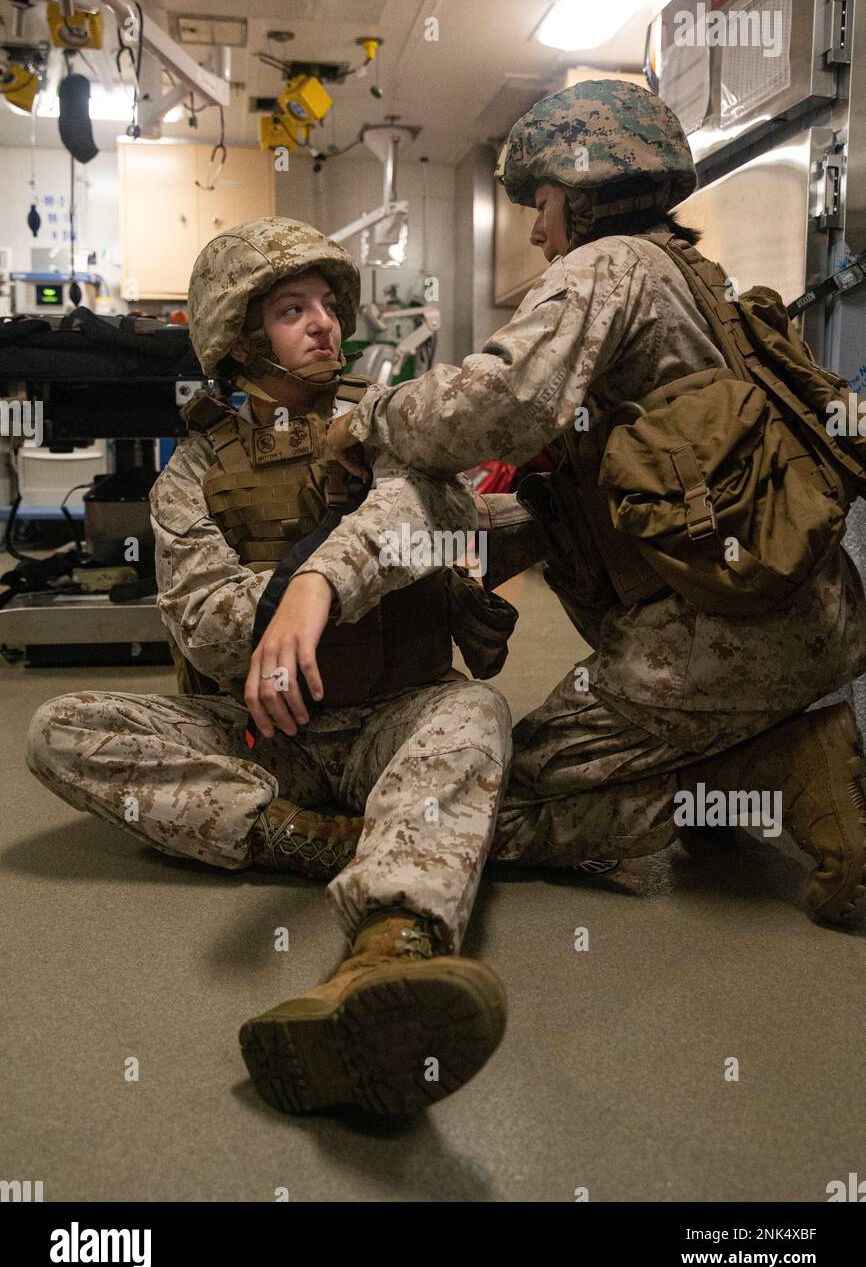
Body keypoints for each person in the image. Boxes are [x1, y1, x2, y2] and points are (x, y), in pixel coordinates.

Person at [250, 81, 866, 926]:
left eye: (541, 204)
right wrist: (441, 559)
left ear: (584, 193)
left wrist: (375, 419)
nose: (536, 231)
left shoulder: (605, 265)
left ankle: (776, 770)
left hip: (714, 642)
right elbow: (589, 511)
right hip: (802, 607)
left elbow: (498, 406)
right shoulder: (700, 281)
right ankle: (754, 772)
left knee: (494, 800)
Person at [25, 217, 516, 1117]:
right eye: (295, 310)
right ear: (243, 339)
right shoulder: (193, 474)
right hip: (266, 738)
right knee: (58, 730)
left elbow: (445, 520)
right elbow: (208, 626)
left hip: (391, 714)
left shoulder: (389, 421)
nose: (325, 325)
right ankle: (300, 836)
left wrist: (344, 570)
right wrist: (292, 593)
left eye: (329, 306)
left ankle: (390, 943)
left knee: (475, 713)